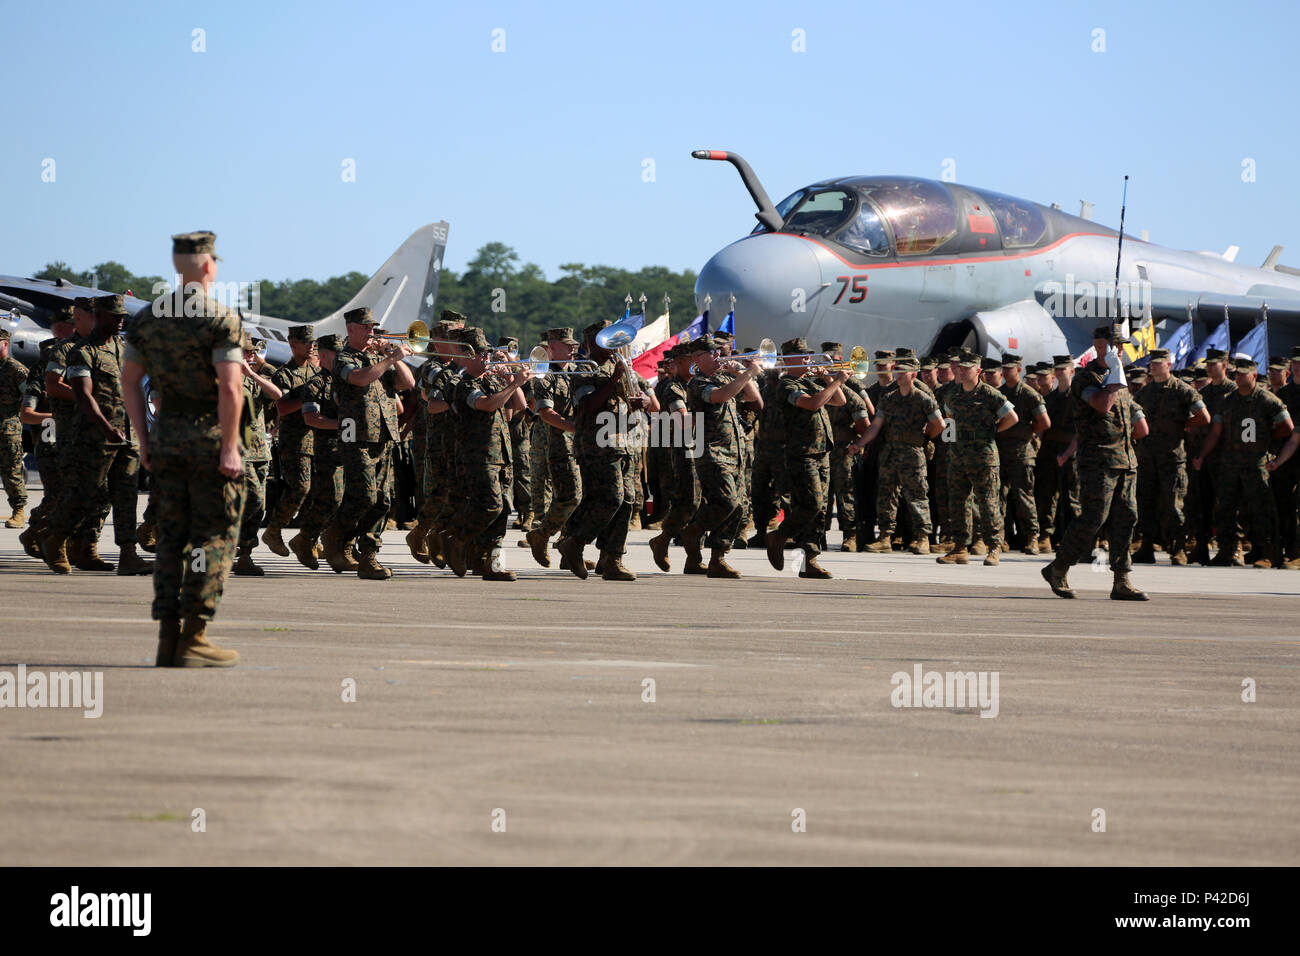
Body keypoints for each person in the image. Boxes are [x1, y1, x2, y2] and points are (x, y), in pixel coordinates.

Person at [121, 231, 245, 667]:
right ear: (209, 266)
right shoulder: (220, 318)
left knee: (172, 537)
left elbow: (129, 381)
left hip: (167, 438)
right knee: (211, 538)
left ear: (177, 265)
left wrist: (144, 439)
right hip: (209, 440)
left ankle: (167, 638)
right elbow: (231, 388)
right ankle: (195, 637)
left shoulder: (147, 318)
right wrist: (230, 447)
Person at [41, 295, 152, 576]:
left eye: (122, 316)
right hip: (95, 436)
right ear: (99, 316)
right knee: (86, 494)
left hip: (128, 435)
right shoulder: (81, 351)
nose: (120, 320)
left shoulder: (126, 348)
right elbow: (82, 393)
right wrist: (105, 427)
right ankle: (55, 539)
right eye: (115, 316)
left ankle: (128, 554)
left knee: (126, 495)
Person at [1042, 342, 1150, 600]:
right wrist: (1114, 377)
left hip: (1125, 461)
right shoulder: (1085, 379)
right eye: (1109, 348)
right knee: (1094, 518)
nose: (1117, 354)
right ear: (1097, 349)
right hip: (1098, 461)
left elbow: (1141, 427)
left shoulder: (1120, 381)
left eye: (1120, 349)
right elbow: (1102, 404)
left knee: (1127, 517)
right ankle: (1058, 568)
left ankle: (1121, 580)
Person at [556, 320, 652, 581]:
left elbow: (650, 401)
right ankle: (574, 541)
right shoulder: (583, 369)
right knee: (610, 498)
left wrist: (642, 399)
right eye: (606, 341)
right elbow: (586, 404)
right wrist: (614, 380)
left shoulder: (621, 365)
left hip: (625, 443)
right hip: (596, 443)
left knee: (627, 502)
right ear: (591, 343)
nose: (613, 346)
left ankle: (612, 559)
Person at [324, 307, 414, 579]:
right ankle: (338, 534)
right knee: (364, 495)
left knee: (384, 500)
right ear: (351, 328)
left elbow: (408, 383)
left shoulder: (379, 357)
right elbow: (359, 378)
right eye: (366, 327)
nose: (371, 332)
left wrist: (394, 358)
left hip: (384, 434)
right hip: (357, 435)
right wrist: (389, 360)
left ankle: (369, 556)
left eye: (373, 327)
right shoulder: (344, 357)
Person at [1193, 354, 1293, 568]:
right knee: (1226, 507)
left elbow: (1287, 427)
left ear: (1254, 376)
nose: (1238, 378)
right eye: (1237, 374)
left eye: (1243, 375)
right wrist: (1202, 454)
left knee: (1261, 508)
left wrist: (1266, 437)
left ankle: (1268, 553)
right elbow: (1216, 432)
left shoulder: (1266, 400)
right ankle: (1228, 551)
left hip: (1256, 463)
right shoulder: (1227, 401)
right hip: (1230, 463)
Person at [447, 328, 529, 580]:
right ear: (466, 356)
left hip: (501, 455)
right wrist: (515, 382)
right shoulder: (464, 384)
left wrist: (510, 379)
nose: (486, 357)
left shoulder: (492, 380)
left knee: (503, 509)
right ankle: (455, 539)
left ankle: (490, 563)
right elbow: (487, 404)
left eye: (487, 352)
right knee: (490, 506)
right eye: (480, 353)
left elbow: (520, 406)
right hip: (478, 456)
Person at [766, 337, 846, 579]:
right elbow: (811, 405)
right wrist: (839, 380)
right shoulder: (787, 385)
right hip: (803, 454)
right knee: (810, 504)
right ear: (787, 360)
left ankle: (809, 561)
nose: (808, 359)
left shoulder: (810, 382)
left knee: (819, 509)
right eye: (802, 356)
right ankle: (779, 535)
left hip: (821, 452)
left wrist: (829, 379)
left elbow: (839, 400)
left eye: (808, 355)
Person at [851, 355, 942, 553]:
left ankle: (923, 537)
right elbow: (875, 426)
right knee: (886, 495)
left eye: (903, 373)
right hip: (890, 452)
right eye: (897, 372)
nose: (899, 376)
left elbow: (939, 424)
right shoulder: (888, 398)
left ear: (913, 375)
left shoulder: (923, 399)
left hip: (912, 453)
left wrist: (924, 439)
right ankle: (885, 537)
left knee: (917, 495)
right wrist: (859, 444)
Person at [936, 349, 1018, 566]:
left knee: (988, 503)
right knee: (958, 503)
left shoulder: (990, 394)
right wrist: (952, 446)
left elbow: (1012, 417)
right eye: (959, 369)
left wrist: (991, 433)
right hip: (958, 457)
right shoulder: (952, 395)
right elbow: (949, 420)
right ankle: (960, 548)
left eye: (966, 369)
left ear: (978, 371)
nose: (961, 372)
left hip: (984, 457)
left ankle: (993, 548)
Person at [1132, 347, 1209, 565]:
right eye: (1152, 363)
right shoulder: (1143, 393)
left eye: (1158, 363)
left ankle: (1179, 549)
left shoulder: (1182, 390)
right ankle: (1147, 546)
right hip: (1147, 457)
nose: (1153, 366)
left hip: (1172, 457)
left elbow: (1204, 417)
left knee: (1174, 504)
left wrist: (1184, 425)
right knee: (1146, 502)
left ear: (1169, 365)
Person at [526, 328, 582, 568]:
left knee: (578, 498)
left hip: (580, 446)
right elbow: (545, 413)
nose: (573, 349)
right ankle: (542, 534)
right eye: (566, 345)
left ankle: (568, 548)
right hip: (558, 444)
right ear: (551, 348)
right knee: (569, 496)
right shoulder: (545, 375)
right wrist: (574, 427)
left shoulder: (580, 372)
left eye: (573, 345)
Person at [263, 325, 318, 556]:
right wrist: (307, 392)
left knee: (319, 492)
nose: (311, 346)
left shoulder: (315, 372)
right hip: (295, 441)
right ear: (292, 343)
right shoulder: (284, 374)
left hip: (317, 439)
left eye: (312, 342)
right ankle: (273, 530)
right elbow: (283, 407)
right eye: (306, 342)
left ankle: (310, 539)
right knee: (300, 488)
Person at [648, 343, 701, 572]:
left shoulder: (701, 384)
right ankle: (665, 539)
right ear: (678, 362)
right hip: (684, 450)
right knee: (690, 502)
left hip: (707, 449)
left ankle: (695, 559)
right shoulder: (673, 387)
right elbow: (683, 420)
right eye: (692, 358)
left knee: (704, 504)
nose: (696, 363)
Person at [233, 335, 283, 575]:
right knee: (251, 499)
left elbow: (277, 394)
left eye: (254, 353)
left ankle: (245, 555)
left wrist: (252, 373)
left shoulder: (254, 379)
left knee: (259, 505)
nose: (251, 356)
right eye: (246, 352)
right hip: (237, 451)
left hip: (260, 453)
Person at [997, 354, 1050, 554]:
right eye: (1004, 368)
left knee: (1024, 496)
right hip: (1001, 451)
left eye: (1009, 368)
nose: (1005, 372)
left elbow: (1044, 422)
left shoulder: (1029, 394)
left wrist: (1026, 432)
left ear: (1018, 370)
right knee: (998, 496)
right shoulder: (999, 393)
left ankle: (1032, 537)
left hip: (1021, 453)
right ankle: (1001, 538)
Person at [0, 327, 29, 530]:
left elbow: (32, 396)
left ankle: (19, 511)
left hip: (7, 429)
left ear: (5, 344)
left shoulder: (15, 369)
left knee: (12, 471)